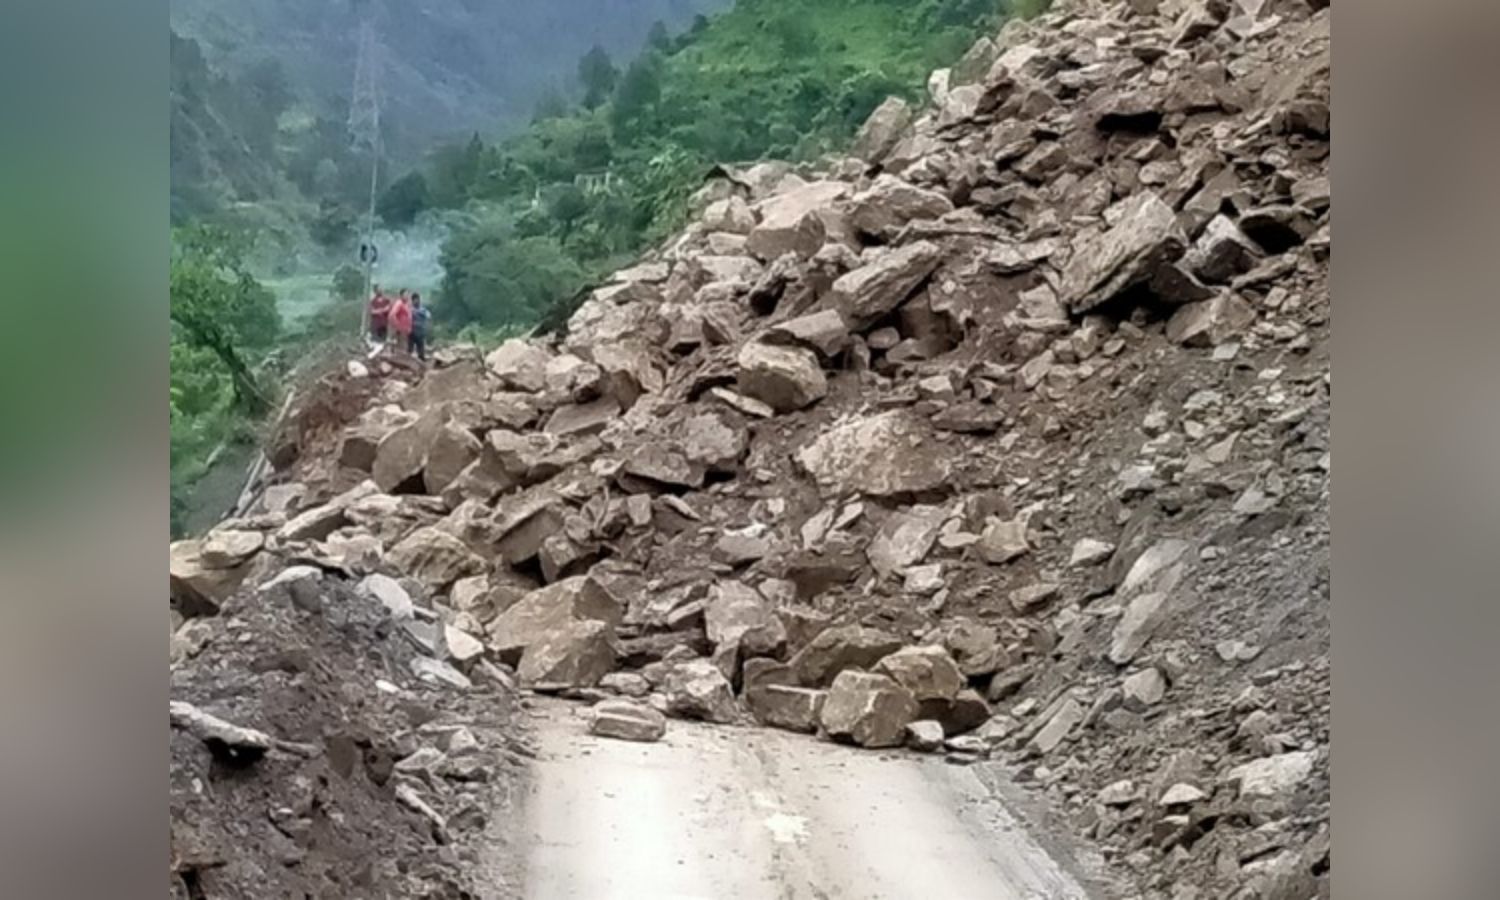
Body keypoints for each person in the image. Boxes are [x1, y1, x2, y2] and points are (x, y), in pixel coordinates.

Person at [408, 293, 431, 361]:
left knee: (421, 349)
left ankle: (421, 361)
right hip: (412, 332)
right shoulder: (410, 309)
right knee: (410, 349)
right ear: (412, 301)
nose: (417, 301)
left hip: (420, 331)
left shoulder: (423, 309)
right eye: (415, 300)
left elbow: (429, 316)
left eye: (418, 299)